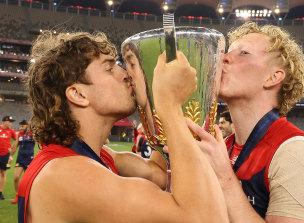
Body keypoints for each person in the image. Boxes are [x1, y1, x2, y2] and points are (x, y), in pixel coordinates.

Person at [18, 31, 228, 223]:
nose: (125, 74)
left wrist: (153, 102)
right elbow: (204, 218)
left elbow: (161, 174)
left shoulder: (98, 156)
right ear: (78, 95)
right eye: (110, 69)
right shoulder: (67, 174)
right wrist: (169, 105)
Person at [186, 22, 304, 223]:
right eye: (227, 52)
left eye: (243, 53)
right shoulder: (225, 147)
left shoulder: (296, 152)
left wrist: (225, 179)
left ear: (273, 77)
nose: (223, 58)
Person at [10, 120, 35, 204]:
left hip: (29, 159)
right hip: (20, 158)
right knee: (16, 177)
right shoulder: (19, 135)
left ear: (27, 126)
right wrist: (10, 156)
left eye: (22, 126)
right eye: (20, 126)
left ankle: (29, 196)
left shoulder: (32, 133)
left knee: (28, 180)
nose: (20, 128)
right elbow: (14, 147)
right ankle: (17, 195)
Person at [0, 115, 18, 200]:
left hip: (5, 154)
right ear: (5, 121)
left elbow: (16, 140)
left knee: (3, 173)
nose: (11, 123)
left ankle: (0, 192)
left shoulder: (11, 131)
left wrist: (11, 152)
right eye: (10, 122)